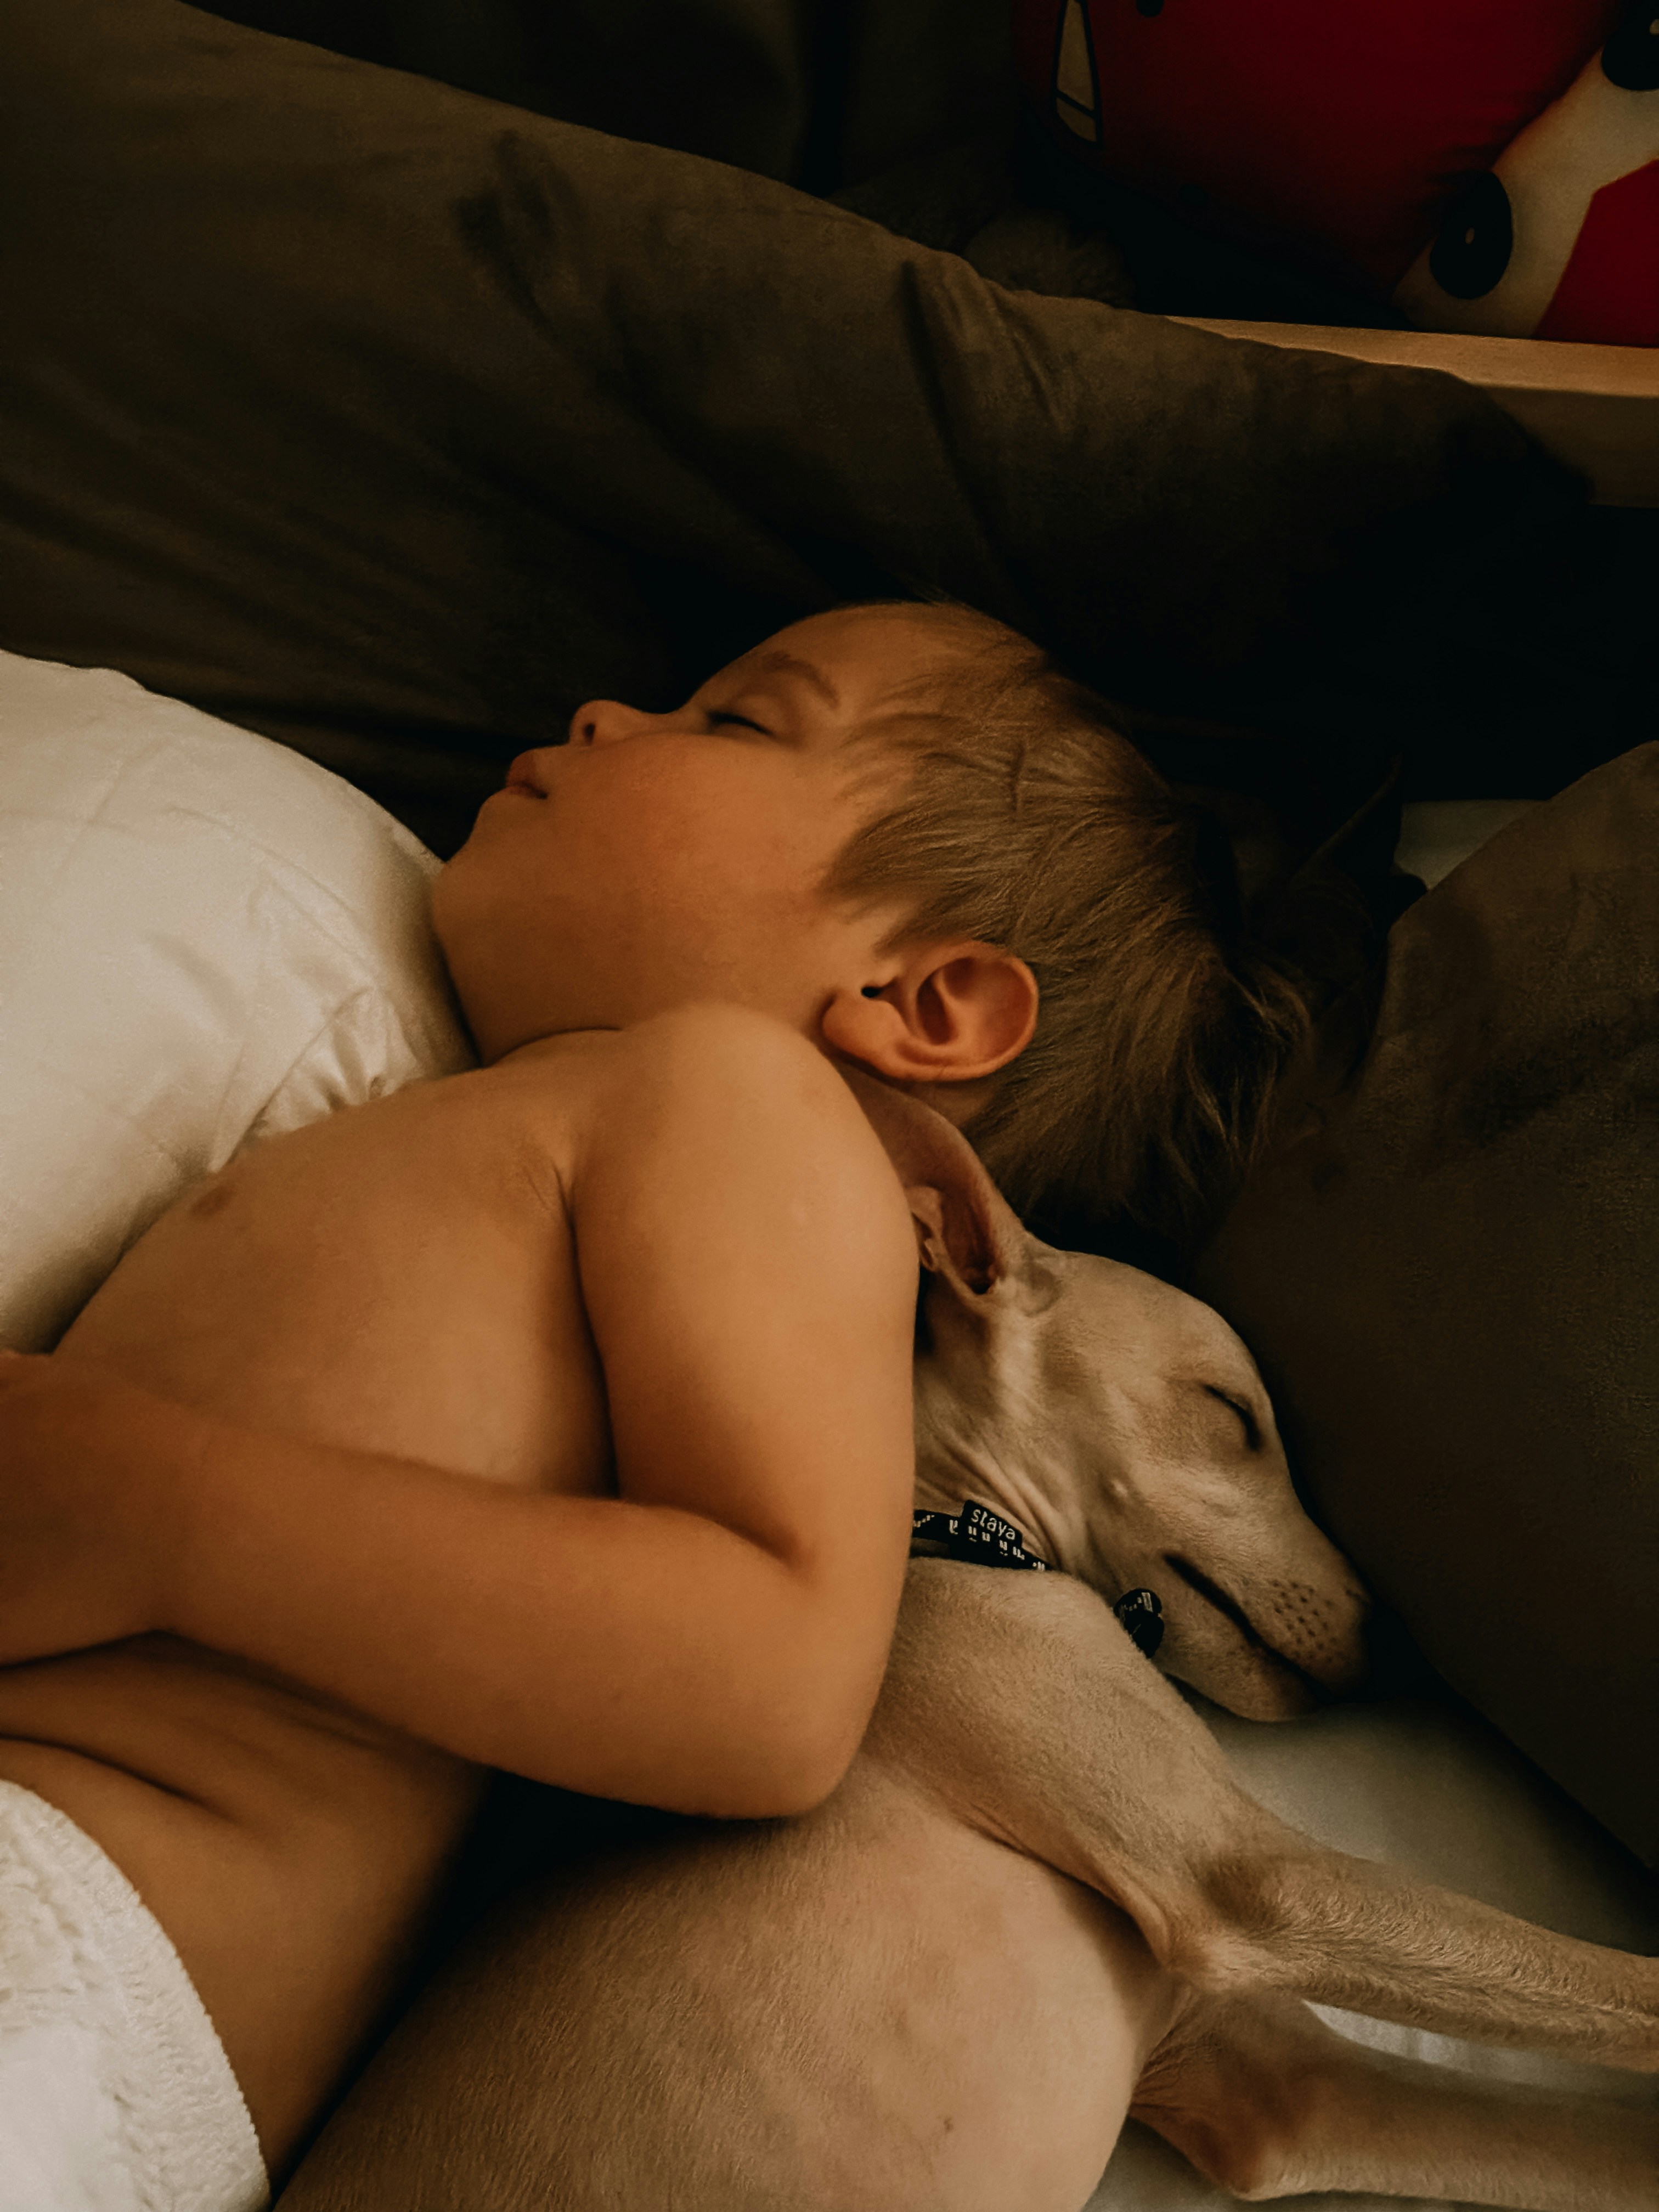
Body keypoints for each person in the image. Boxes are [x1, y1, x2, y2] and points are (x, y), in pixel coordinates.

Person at [0, 597, 1305, 2207]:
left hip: (74, 1957)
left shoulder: (744, 1107)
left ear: (926, 1001)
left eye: (738, 721)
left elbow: (772, 1676)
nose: (610, 713)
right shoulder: (517, 1121)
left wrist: (165, 1516)